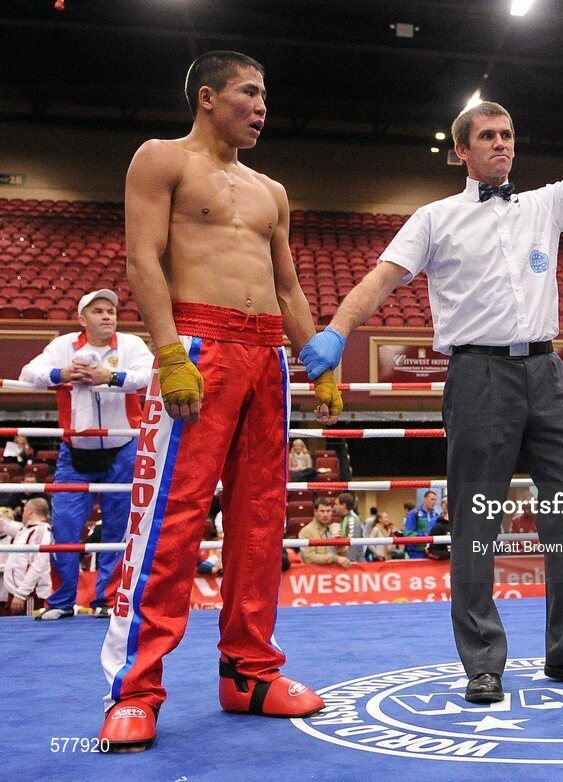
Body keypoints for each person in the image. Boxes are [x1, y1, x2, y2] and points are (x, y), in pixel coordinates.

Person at [300, 46, 563, 705]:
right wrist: (337, 328)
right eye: (488, 137)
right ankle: (483, 661)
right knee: (477, 523)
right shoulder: (434, 218)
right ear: (462, 152)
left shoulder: (544, 205)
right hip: (477, 377)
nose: (501, 144)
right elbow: (382, 279)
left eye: (507, 136)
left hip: (546, 371)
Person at [97, 50, 342, 753]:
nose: (262, 107)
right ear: (208, 97)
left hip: (266, 355)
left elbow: (290, 287)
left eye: (265, 95)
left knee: (262, 523)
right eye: (249, 93)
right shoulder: (161, 159)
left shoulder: (271, 190)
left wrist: (314, 361)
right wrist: (169, 352)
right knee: (170, 523)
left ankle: (250, 673)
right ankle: (135, 689)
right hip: (198, 347)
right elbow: (143, 258)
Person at [19, 289, 153, 621]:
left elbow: (153, 375)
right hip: (74, 452)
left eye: (111, 311)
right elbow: (27, 375)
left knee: (118, 528)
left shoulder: (131, 345)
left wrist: (113, 377)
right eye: (99, 311)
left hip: (123, 450)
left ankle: (107, 600)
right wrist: (60, 375)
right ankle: (61, 601)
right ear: (83, 319)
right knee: (64, 528)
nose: (107, 316)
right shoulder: (63, 346)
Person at [2, 498, 53, 616]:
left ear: (29, 511)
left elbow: (37, 565)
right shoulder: (25, 530)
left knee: (27, 632)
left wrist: (21, 594)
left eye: (24, 510)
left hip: (28, 596)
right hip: (17, 593)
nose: (22, 514)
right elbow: (5, 525)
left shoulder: (41, 531)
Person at [299, 498, 350, 566]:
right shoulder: (306, 531)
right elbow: (309, 558)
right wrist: (335, 559)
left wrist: (340, 546)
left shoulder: (334, 529)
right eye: (322, 511)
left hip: (335, 573)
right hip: (316, 574)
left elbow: (343, 557)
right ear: (315, 512)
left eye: (328, 511)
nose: (325, 514)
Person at [403, 490, 440, 560]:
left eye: (435, 500)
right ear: (425, 499)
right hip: (416, 552)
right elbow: (407, 534)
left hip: (433, 551)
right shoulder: (414, 513)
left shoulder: (436, 515)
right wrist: (424, 536)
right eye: (432, 499)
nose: (434, 502)